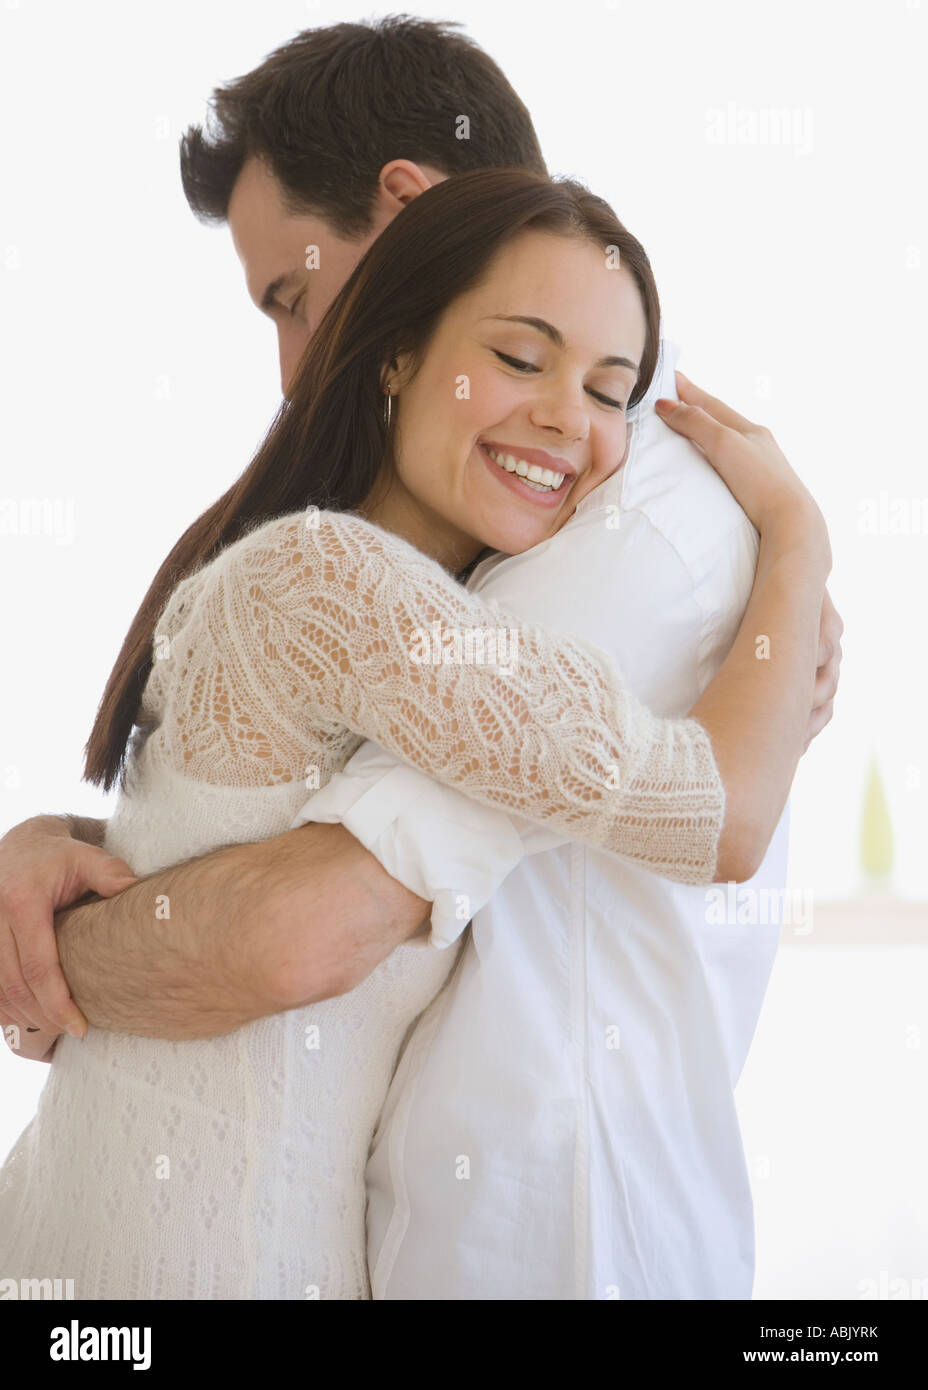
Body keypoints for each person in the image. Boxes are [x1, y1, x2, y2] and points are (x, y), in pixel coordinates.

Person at [0, 19, 842, 1297]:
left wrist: (800, 541)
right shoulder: (376, 568)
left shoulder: (611, 532)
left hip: (554, 1251)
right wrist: (53, 858)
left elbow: (293, 929)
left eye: (291, 295)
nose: (290, 368)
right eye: (520, 358)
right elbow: (259, 823)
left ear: (402, 211)